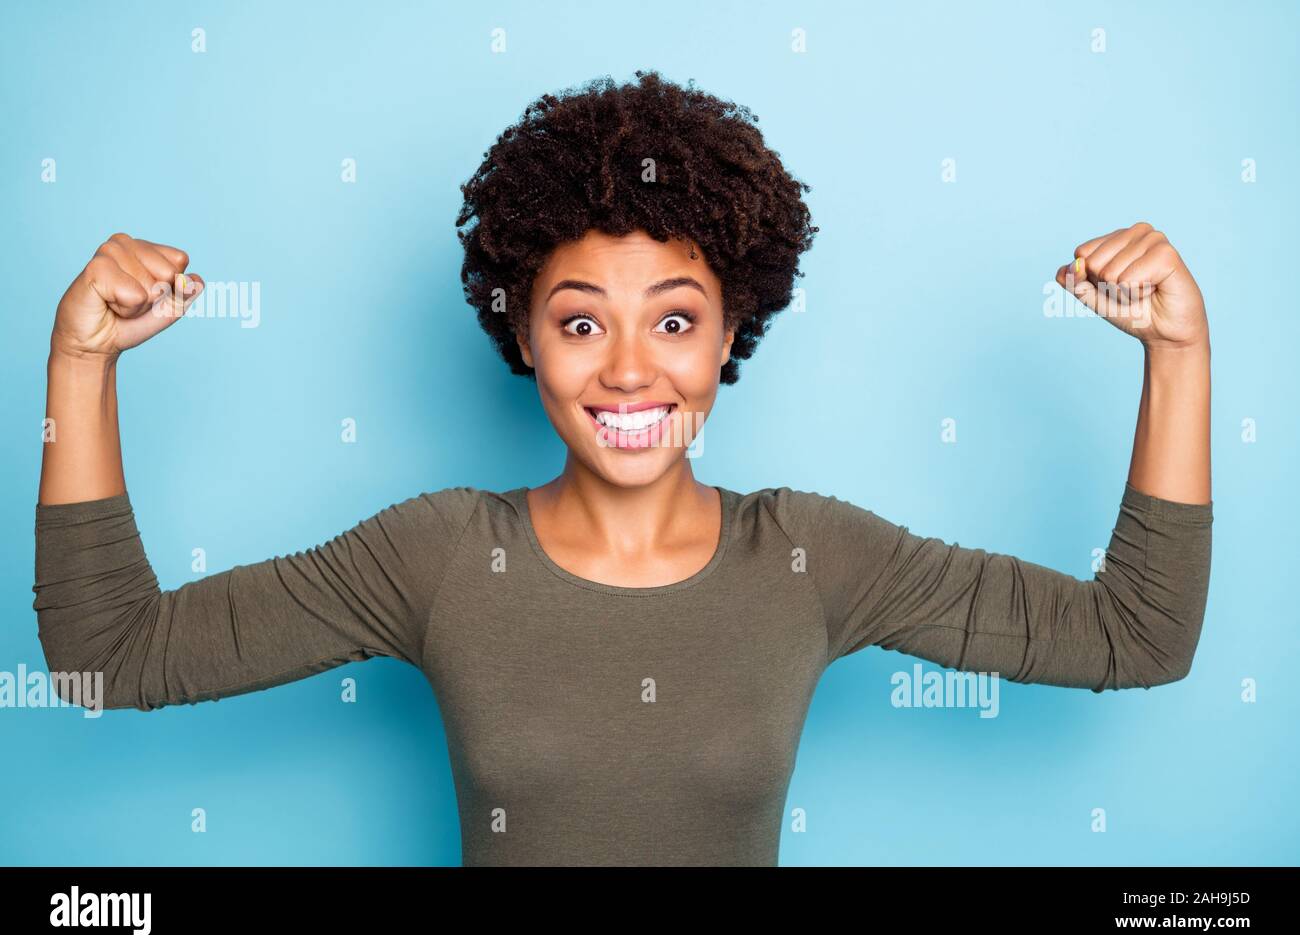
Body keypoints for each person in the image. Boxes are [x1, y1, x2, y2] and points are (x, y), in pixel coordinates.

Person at [32, 70, 1213, 866]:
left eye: (677, 320)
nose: (630, 372)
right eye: (583, 322)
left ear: (730, 334)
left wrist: (1178, 351)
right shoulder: (439, 555)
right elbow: (105, 656)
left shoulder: (812, 558)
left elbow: (1135, 636)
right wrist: (80, 363)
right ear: (525, 338)